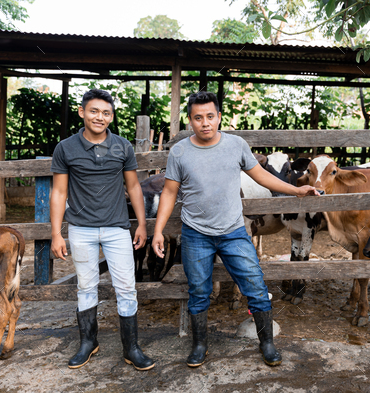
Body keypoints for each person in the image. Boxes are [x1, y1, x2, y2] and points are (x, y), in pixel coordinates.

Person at [152, 91, 318, 368]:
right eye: (197, 118)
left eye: (210, 116)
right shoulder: (180, 152)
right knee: (198, 291)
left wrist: (296, 190)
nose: (205, 122)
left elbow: (261, 176)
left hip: (233, 232)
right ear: (190, 121)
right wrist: (158, 231)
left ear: (219, 117)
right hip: (196, 234)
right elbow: (169, 193)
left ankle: (266, 342)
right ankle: (199, 344)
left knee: (254, 285)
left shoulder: (236, 145)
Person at [50, 89, 155, 371]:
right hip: (81, 228)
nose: (100, 117)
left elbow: (133, 186)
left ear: (111, 116)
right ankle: (88, 342)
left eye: (106, 113)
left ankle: (131, 347)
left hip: (116, 227)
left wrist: (142, 224)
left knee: (126, 287)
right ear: (82, 112)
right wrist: (57, 233)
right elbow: (59, 192)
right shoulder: (66, 148)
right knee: (86, 286)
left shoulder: (122, 146)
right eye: (94, 111)